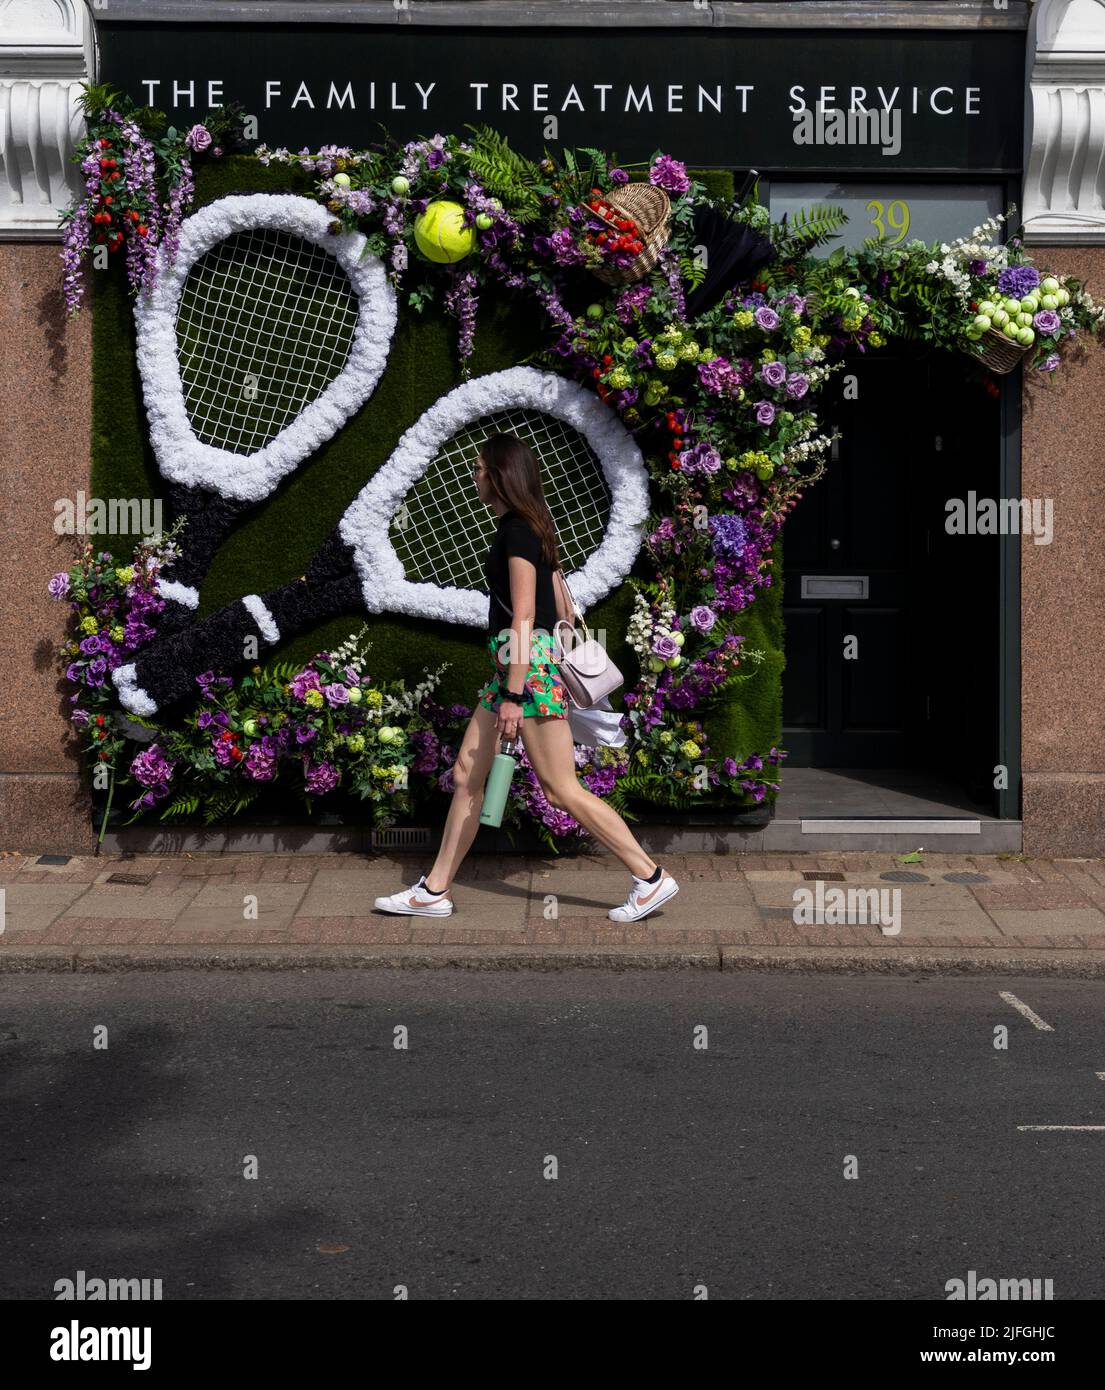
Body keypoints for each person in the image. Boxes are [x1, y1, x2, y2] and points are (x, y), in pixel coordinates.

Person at [374, 432, 679, 923]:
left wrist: (515, 693)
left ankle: (650, 876)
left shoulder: (518, 530)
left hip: (524, 669)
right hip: (515, 666)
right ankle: (435, 890)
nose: (474, 477)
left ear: (498, 476)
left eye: (479, 469)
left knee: (561, 789)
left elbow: (524, 616)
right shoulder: (536, 526)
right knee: (466, 777)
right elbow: (561, 608)